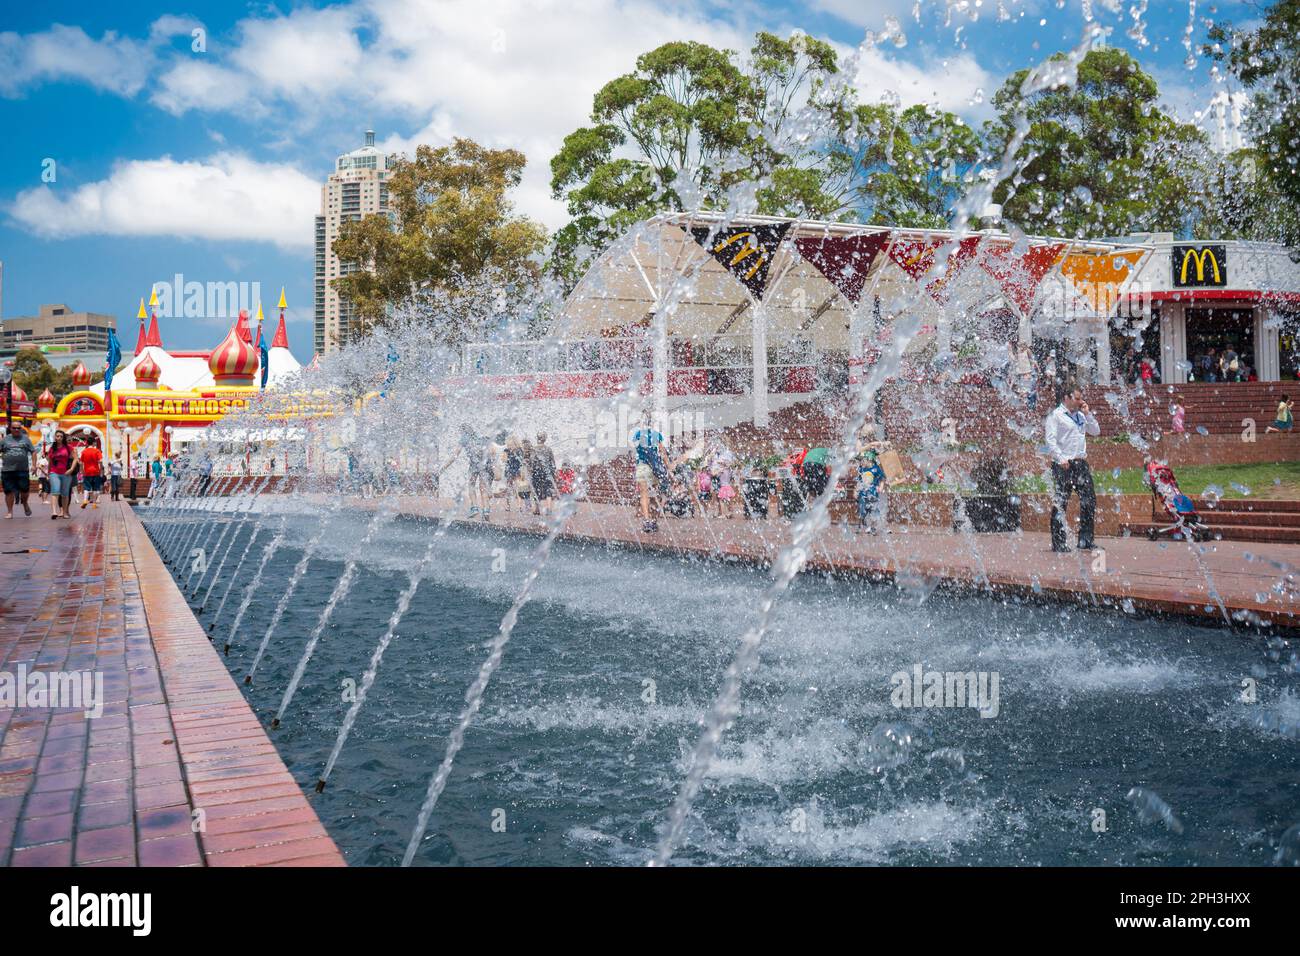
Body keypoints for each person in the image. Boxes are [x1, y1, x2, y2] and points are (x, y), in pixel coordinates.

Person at [1044, 385, 1100, 553]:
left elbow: (1096, 431)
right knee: (1061, 503)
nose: (1080, 401)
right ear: (1066, 398)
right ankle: (1059, 543)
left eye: (1080, 398)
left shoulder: (1081, 416)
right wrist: (1061, 458)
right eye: (1077, 398)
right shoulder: (1056, 416)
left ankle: (1085, 540)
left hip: (1081, 464)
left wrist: (1088, 413)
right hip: (1063, 464)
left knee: (1089, 500)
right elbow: (1050, 440)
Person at [631, 419, 666, 532]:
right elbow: (662, 451)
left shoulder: (638, 434)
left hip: (642, 466)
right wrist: (668, 466)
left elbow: (635, 451)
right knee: (656, 494)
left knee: (644, 494)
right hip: (654, 467)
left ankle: (646, 521)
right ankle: (654, 519)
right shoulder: (657, 435)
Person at [2, 421, 37, 519]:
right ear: (10, 429)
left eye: (18, 428)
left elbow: (33, 452)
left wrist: (34, 465)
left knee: (25, 490)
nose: (17, 430)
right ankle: (10, 512)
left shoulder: (25, 439)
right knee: (8, 491)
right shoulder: (4, 440)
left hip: (22, 469)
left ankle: (25, 503)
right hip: (7, 470)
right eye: (14, 428)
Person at [46, 430, 78, 520]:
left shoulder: (68, 447)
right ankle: (54, 512)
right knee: (55, 491)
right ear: (55, 437)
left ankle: (64, 512)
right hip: (54, 472)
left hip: (66, 473)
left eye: (60, 436)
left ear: (63, 438)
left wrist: (71, 469)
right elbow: (50, 462)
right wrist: (48, 473)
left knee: (65, 494)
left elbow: (76, 459)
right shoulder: (52, 448)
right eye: (57, 436)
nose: (59, 438)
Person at [529, 432, 557, 516]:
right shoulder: (548, 449)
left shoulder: (533, 449)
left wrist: (531, 470)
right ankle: (548, 509)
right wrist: (553, 471)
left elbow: (532, 461)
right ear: (545, 439)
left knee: (536, 489)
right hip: (547, 472)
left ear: (537, 438)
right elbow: (552, 461)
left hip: (536, 472)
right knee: (548, 489)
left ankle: (537, 509)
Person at [78, 435, 104, 510]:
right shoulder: (97, 451)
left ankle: (85, 500)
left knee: (86, 487)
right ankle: (94, 503)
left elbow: (81, 462)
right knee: (96, 488)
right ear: (93, 443)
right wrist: (101, 470)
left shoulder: (84, 451)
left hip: (87, 472)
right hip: (96, 471)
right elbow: (101, 461)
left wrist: (82, 471)